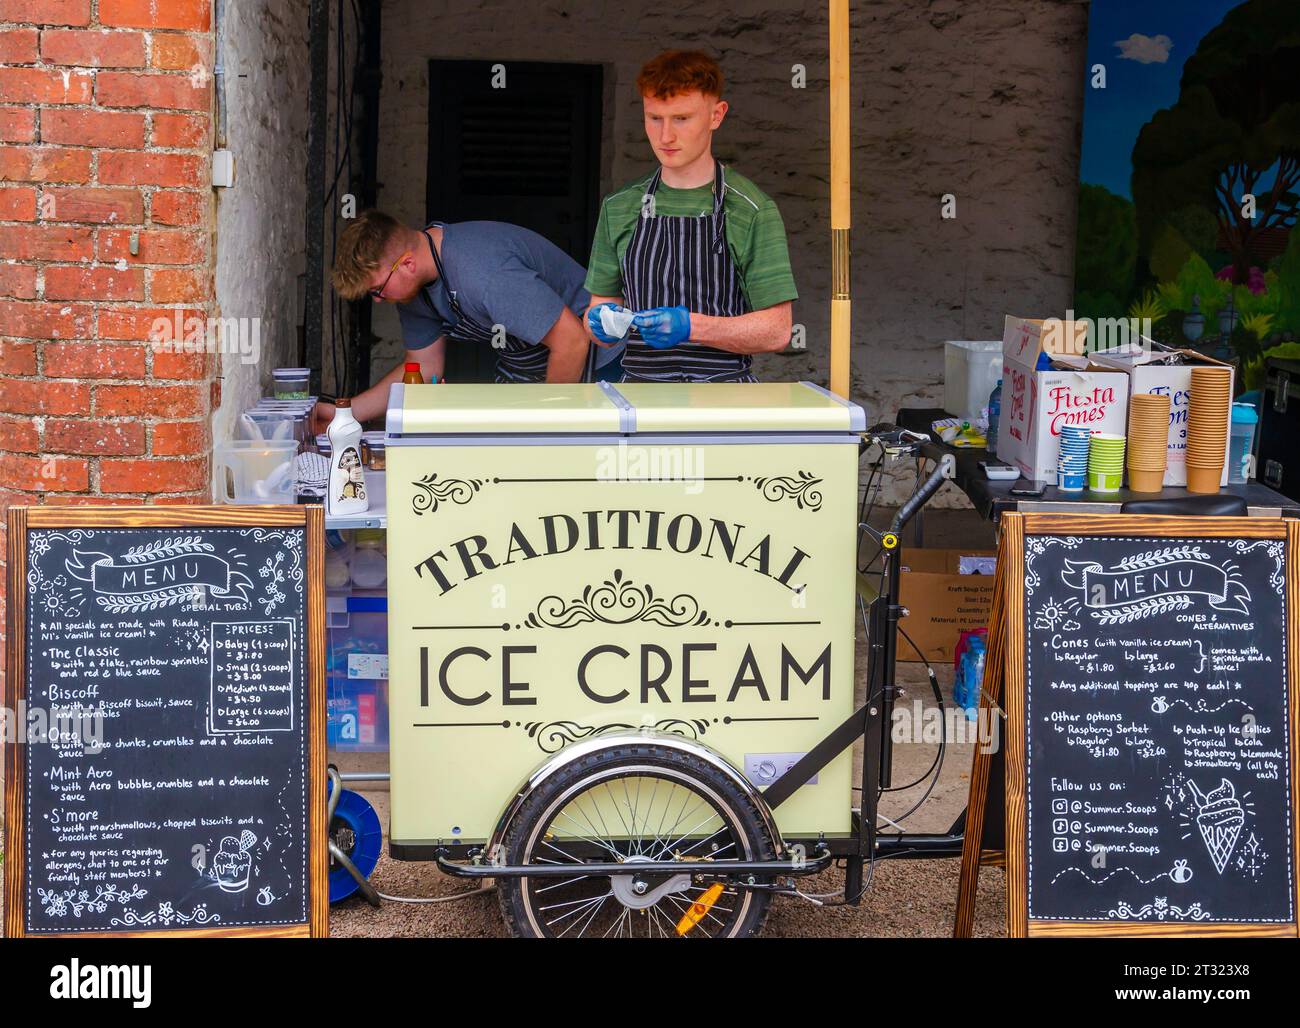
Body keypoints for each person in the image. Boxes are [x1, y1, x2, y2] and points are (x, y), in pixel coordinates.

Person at [584, 50, 798, 383]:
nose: (665, 136)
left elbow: (777, 330)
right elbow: (598, 312)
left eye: (682, 118)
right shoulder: (620, 207)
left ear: (716, 115)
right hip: (640, 399)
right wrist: (599, 322)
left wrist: (692, 327)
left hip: (723, 401)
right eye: (655, 118)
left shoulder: (751, 209)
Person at [320, 211, 601, 429]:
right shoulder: (413, 290)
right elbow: (423, 366)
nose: (378, 300)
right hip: (526, 371)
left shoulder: (484, 274)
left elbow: (572, 341)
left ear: (407, 264)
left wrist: (548, 423)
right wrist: (345, 413)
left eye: (377, 290)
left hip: (594, 367)